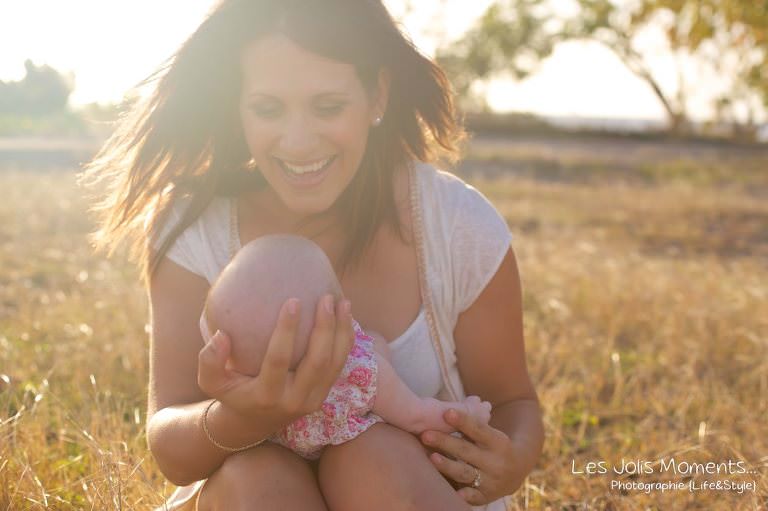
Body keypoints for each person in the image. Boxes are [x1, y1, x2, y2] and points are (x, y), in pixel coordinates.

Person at [79, 0, 544, 509]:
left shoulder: (457, 225)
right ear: (238, 106)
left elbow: (512, 401)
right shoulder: (194, 228)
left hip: (407, 491)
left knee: (371, 459)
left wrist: (512, 459)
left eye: (327, 107)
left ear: (376, 95)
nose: (298, 142)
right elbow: (172, 452)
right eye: (268, 109)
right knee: (255, 474)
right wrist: (245, 417)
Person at [200, 234, 493, 460]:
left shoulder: (250, 391)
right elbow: (418, 416)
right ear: (335, 317)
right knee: (377, 350)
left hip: (292, 469)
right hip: (361, 462)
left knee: (375, 342)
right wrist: (467, 412)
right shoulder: (360, 374)